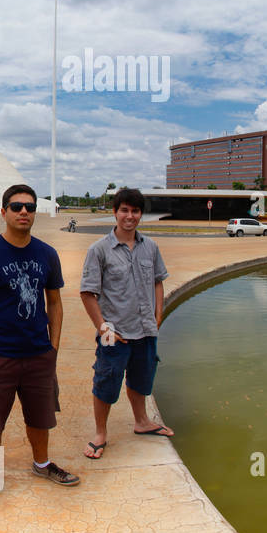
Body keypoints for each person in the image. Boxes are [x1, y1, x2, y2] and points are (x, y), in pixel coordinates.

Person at [0, 183, 74, 504]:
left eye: (29, 207)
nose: (24, 211)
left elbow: (54, 302)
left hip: (38, 353)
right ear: (4, 212)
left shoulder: (47, 254)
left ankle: (42, 464)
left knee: (40, 416)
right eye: (16, 206)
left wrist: (53, 347)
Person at [80, 187, 174, 460]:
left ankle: (142, 421)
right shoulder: (99, 250)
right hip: (115, 332)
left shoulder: (150, 247)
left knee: (142, 378)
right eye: (124, 210)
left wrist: (158, 313)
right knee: (106, 381)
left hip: (145, 329)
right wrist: (103, 327)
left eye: (135, 211)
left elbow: (158, 281)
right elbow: (87, 293)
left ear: (141, 214)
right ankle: (100, 433)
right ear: (115, 212)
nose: (129, 216)